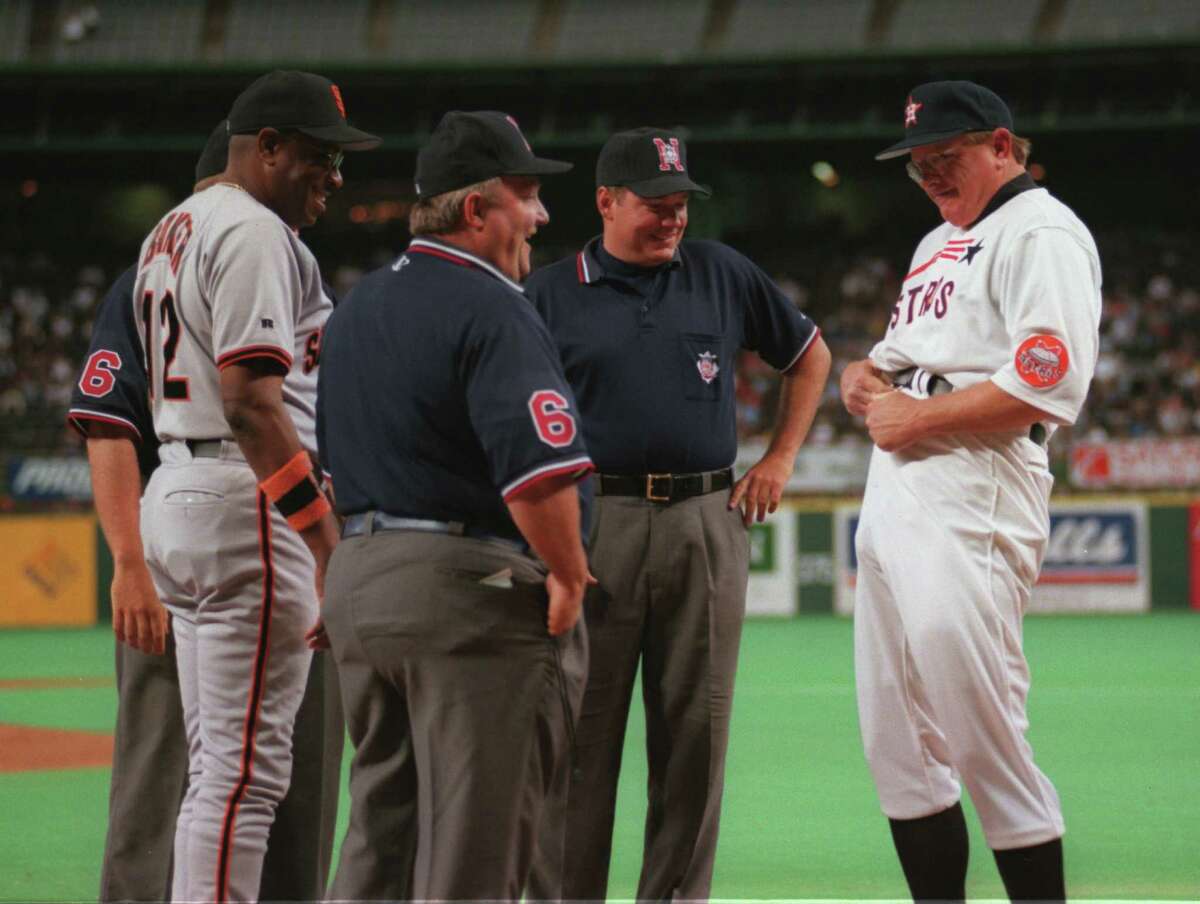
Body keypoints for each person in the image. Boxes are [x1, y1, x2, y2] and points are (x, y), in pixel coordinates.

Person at [524, 127, 830, 901]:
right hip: (596, 523)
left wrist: (781, 457)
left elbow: (811, 355)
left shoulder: (720, 272)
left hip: (704, 516)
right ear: (605, 202)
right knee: (578, 744)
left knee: (696, 740)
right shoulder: (550, 291)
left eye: (682, 203)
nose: (674, 219)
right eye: (656, 205)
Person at [316, 110, 592, 901]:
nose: (541, 216)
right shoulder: (495, 304)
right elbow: (539, 474)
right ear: (476, 211)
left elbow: (331, 461)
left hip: (359, 579)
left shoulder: (357, 305)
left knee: (380, 832)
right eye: (528, 195)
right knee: (479, 843)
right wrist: (569, 576)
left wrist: (345, 577)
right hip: (463, 596)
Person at [68, 120, 345, 903]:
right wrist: (126, 565)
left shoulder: (271, 263)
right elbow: (108, 425)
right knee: (180, 780)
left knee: (282, 777)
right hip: (216, 537)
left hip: (262, 533)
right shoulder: (182, 263)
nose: (323, 182)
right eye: (312, 163)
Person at [840, 80, 1101, 903]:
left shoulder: (1042, 230)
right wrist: (863, 374)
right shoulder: (935, 243)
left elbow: (1045, 379)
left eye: (944, 159)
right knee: (898, 737)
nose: (931, 178)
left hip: (976, 473)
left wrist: (917, 419)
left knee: (981, 730)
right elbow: (900, 352)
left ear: (999, 144)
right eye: (918, 167)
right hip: (899, 486)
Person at [132, 72, 379, 903]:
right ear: (266, 147)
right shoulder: (254, 231)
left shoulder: (174, 225)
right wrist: (320, 535)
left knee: (218, 773)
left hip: (180, 485)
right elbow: (250, 401)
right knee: (247, 779)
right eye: (319, 156)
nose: (334, 176)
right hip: (248, 501)